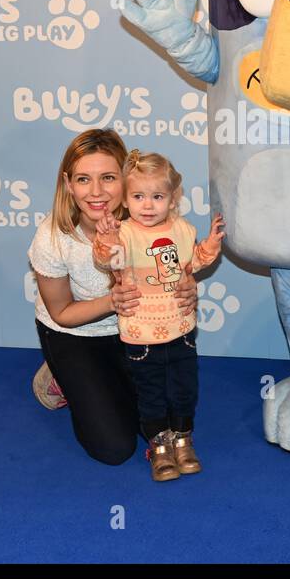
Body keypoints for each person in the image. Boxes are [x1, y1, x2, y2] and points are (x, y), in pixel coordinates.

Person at [26, 129, 197, 465]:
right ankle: (58, 374)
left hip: (136, 333)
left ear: (126, 179)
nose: (96, 192)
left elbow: (173, 271)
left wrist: (187, 287)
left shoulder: (149, 218)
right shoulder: (52, 238)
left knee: (156, 419)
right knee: (114, 448)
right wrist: (112, 302)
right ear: (68, 183)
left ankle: (106, 382)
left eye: (108, 177)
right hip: (73, 334)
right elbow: (61, 312)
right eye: (83, 179)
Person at [92, 149, 225, 481]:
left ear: (172, 198)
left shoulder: (181, 230)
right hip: (141, 334)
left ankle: (183, 439)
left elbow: (190, 263)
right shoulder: (124, 233)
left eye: (156, 196)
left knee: (184, 389)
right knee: (151, 393)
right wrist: (106, 238)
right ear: (125, 198)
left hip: (180, 329)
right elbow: (111, 261)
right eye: (138, 196)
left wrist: (209, 245)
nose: (147, 205)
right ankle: (160, 448)